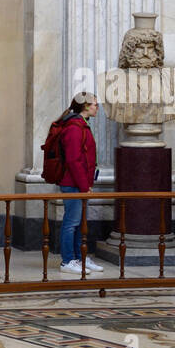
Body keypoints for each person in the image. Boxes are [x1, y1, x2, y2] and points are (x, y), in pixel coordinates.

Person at [57, 93, 103, 276]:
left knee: (79, 222)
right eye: (95, 105)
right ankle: (68, 260)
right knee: (71, 223)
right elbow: (74, 161)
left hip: (81, 183)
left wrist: (86, 184)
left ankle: (80, 258)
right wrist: (85, 186)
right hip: (73, 183)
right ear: (85, 107)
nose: (97, 108)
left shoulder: (81, 125)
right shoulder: (74, 128)